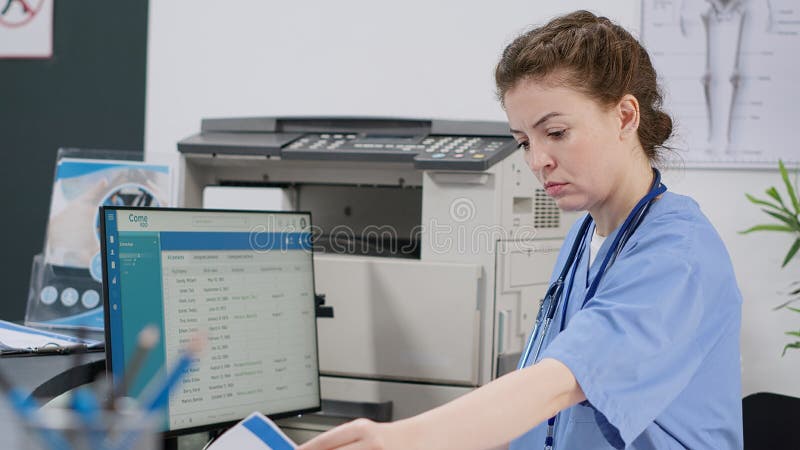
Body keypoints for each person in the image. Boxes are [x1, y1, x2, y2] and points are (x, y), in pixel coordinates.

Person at [298, 10, 743, 450]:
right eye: (525, 142)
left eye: (556, 132)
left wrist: (399, 440)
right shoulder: (585, 234)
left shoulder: (679, 255)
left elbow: (562, 380)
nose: (537, 161)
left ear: (625, 117)